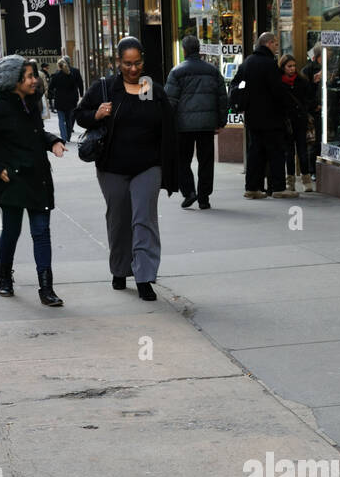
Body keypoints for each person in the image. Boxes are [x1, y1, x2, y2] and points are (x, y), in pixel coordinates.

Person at [76, 37, 179, 300]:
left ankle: (144, 276)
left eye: (138, 63)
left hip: (147, 166)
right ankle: (120, 269)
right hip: (112, 166)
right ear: (118, 62)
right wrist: (96, 115)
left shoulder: (149, 88)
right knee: (119, 219)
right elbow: (81, 114)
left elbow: (167, 128)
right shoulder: (107, 88)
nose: (133, 70)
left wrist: (172, 167)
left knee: (143, 219)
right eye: (127, 64)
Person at [0, 54, 66, 307]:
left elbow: (35, 134)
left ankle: (46, 288)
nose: (35, 81)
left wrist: (52, 141)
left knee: (41, 233)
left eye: (34, 76)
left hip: (38, 177)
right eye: (30, 76)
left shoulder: (31, 103)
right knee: (11, 232)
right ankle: (4, 278)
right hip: (12, 180)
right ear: (14, 80)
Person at [164, 34, 228, 209]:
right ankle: (204, 197)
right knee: (206, 160)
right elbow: (222, 98)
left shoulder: (176, 72)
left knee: (182, 159)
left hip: (183, 125)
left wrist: (167, 124)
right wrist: (221, 122)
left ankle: (189, 191)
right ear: (199, 49)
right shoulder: (213, 71)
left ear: (184, 50)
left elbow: (170, 101)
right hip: (207, 124)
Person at [228, 32, 290, 199]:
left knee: (255, 151)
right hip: (271, 116)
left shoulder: (248, 62)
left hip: (252, 116)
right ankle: (278, 188)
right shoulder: (270, 64)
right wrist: (286, 107)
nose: (277, 47)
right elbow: (277, 91)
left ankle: (252, 187)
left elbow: (236, 83)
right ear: (268, 44)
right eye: (275, 44)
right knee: (276, 152)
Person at [280, 53, 314, 193]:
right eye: (289, 66)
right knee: (289, 152)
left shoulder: (302, 81)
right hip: (286, 122)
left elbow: (309, 98)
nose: (292, 69)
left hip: (300, 121)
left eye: (294, 66)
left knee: (302, 151)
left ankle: (306, 180)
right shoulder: (279, 82)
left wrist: (305, 110)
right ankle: (291, 181)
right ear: (283, 67)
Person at [48, 56, 85, 142]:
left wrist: (53, 95)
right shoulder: (74, 72)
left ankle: (64, 137)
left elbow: (50, 87)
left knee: (61, 119)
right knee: (69, 118)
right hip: (71, 100)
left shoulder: (56, 75)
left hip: (59, 100)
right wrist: (81, 94)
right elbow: (80, 84)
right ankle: (68, 136)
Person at [301, 41, 323, 180]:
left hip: (319, 110)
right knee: (313, 141)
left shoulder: (324, 68)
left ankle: (313, 169)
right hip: (313, 111)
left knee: (318, 140)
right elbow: (306, 93)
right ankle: (311, 170)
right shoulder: (309, 70)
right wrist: (314, 106)